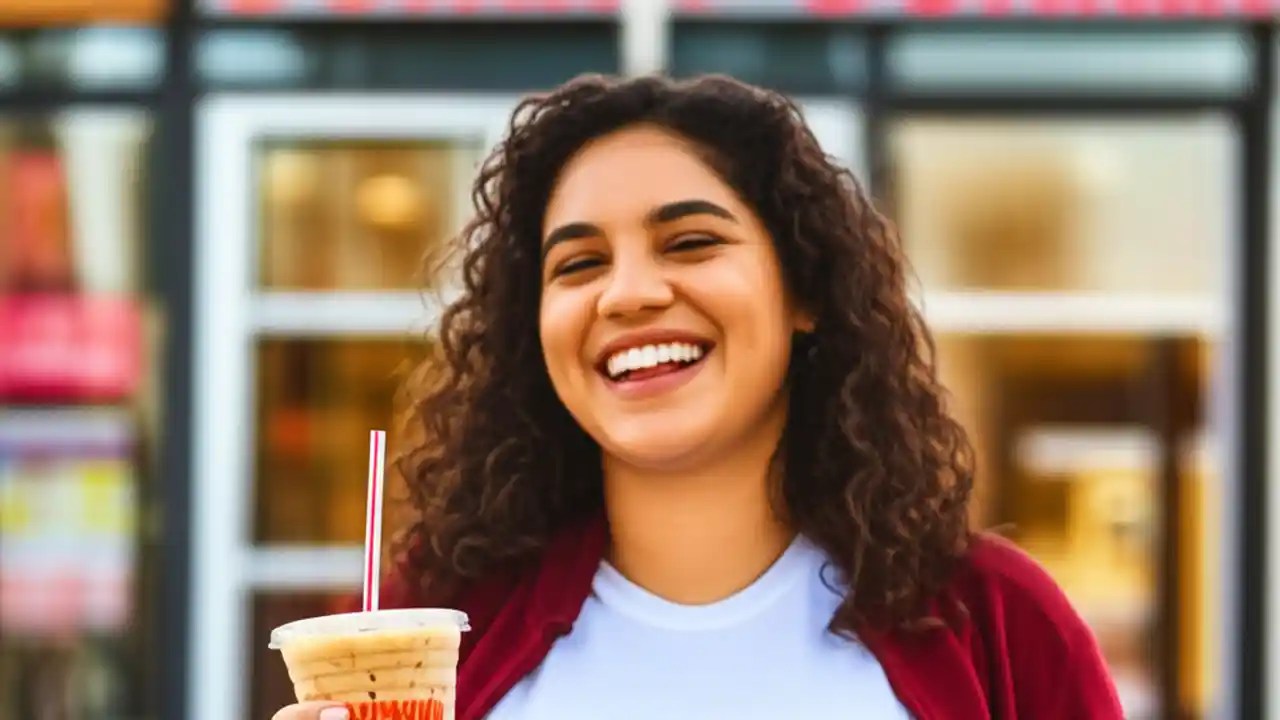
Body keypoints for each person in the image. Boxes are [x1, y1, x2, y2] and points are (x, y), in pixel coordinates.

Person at [274, 74, 1123, 720]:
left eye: (688, 242)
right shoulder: (431, 625)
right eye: (579, 263)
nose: (628, 294)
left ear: (805, 292)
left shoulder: (997, 621)